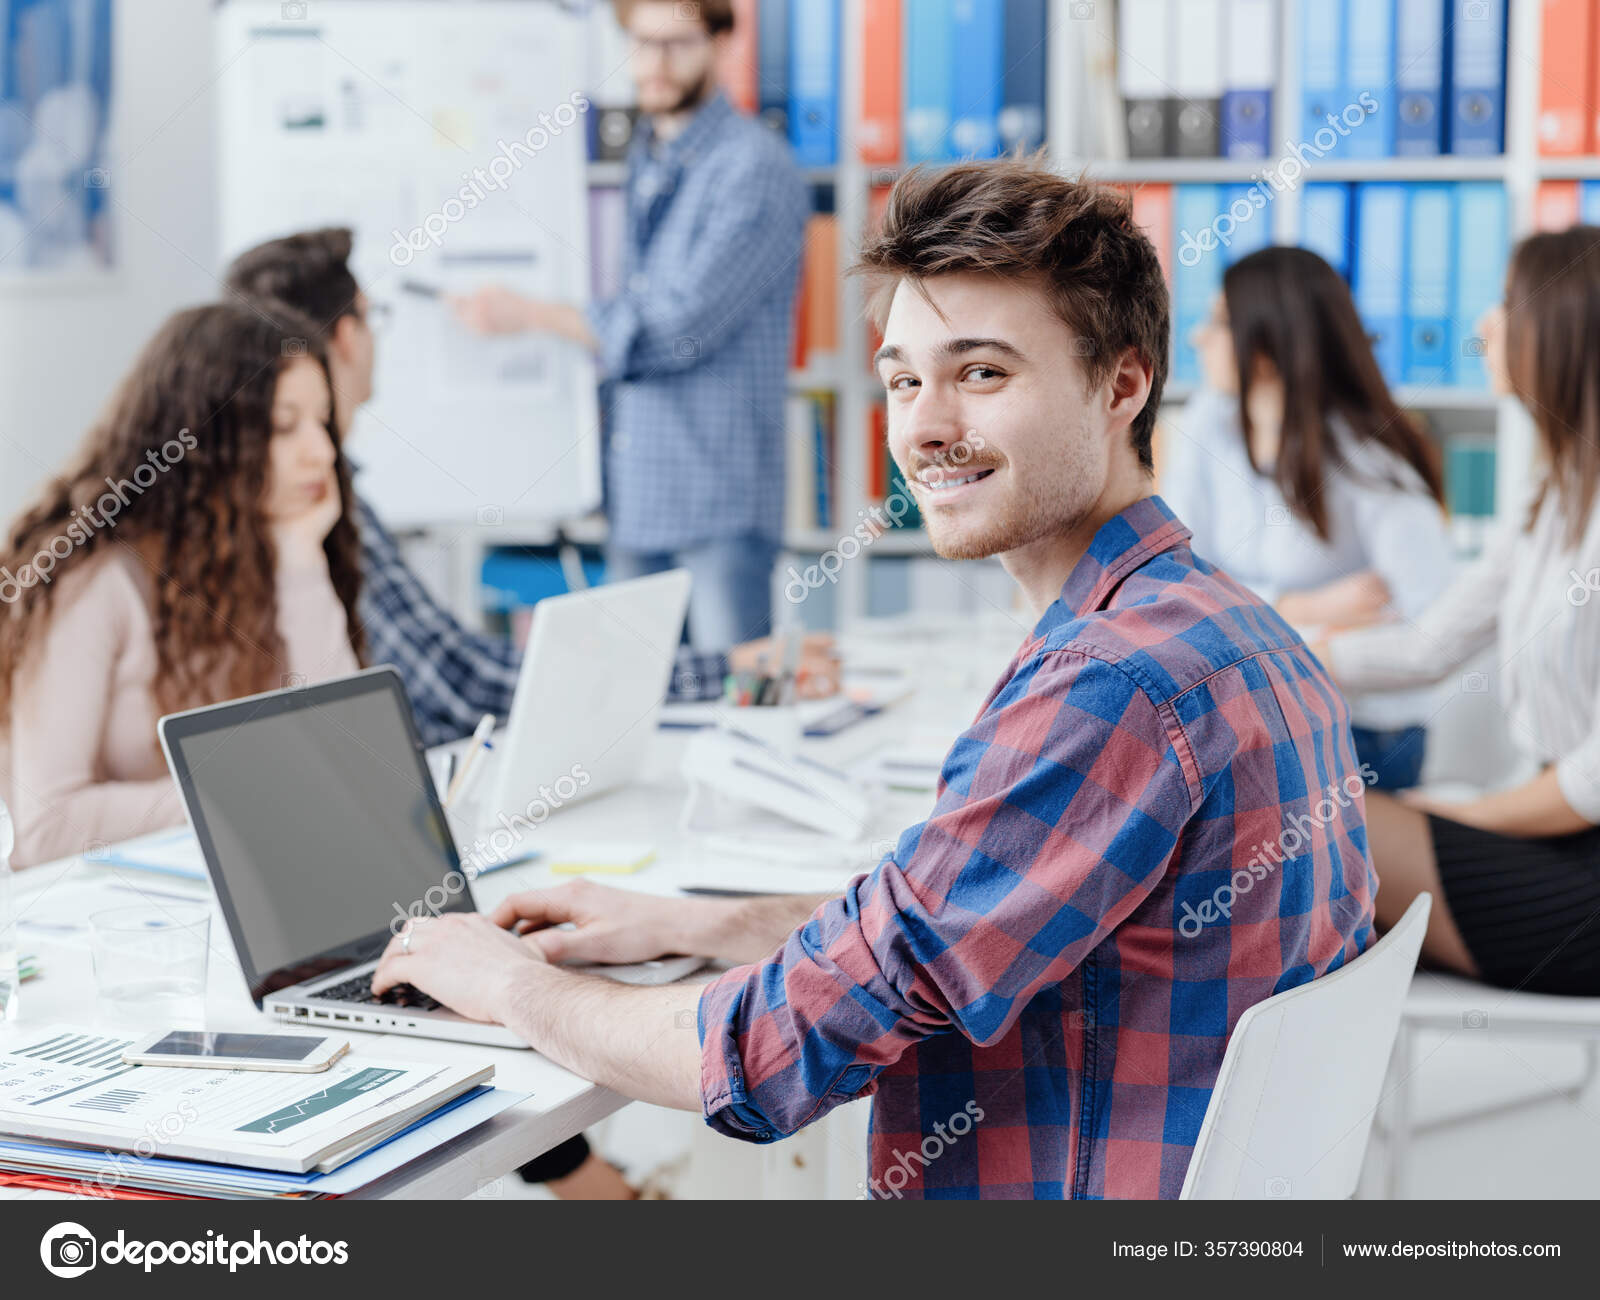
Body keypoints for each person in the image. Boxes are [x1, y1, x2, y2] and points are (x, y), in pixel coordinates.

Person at [368, 158, 1377, 1200]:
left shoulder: (1110, 685)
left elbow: (766, 1059)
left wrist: (509, 986)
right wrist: (704, 924)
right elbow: (948, 923)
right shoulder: (1227, 629)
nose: (924, 428)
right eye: (903, 380)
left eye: (981, 373)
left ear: (1121, 384)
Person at [224, 228, 835, 751]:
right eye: (372, 316)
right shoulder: (317, 502)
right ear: (347, 339)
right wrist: (725, 669)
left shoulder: (281, 491)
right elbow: (469, 687)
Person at [450, 0, 807, 650]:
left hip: (717, 499)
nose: (654, 65)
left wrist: (532, 315)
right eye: (641, 44)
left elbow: (675, 328)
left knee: (732, 705)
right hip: (639, 494)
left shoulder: (755, 168)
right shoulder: (650, 155)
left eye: (677, 44)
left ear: (723, 41)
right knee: (628, 707)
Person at [1315, 227, 1600, 996]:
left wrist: (1475, 816)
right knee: (1314, 834)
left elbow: (1592, 781)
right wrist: (1281, 655)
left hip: (1583, 868)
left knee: (1326, 828)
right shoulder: (1557, 498)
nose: (1484, 326)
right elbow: (1431, 644)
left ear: (1569, 330)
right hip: (1557, 832)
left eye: (1508, 304)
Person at [0, 303, 362, 868]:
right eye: (284, 425)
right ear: (201, 441)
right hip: (103, 918)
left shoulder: (263, 557)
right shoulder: (93, 578)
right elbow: (44, 828)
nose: (323, 451)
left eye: (322, 421)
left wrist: (301, 564)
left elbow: (344, 751)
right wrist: (238, 795)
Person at [1163, 245, 1454, 790]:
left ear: (1269, 343)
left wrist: (1243, 618)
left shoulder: (1368, 459)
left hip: (1365, 727)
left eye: (1220, 322)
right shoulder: (1207, 420)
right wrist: (1305, 608)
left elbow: (1434, 623)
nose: (1198, 337)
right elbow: (1176, 581)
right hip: (1251, 702)